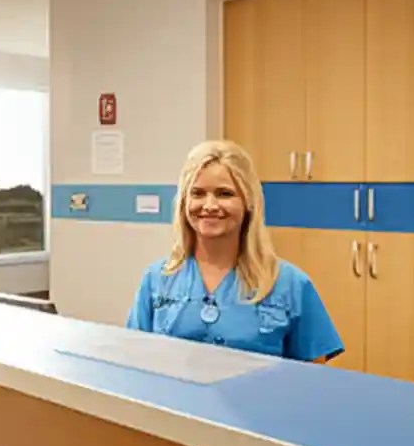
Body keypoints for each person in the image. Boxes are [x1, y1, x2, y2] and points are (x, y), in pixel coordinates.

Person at [127, 140, 344, 363]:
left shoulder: (290, 284)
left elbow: (313, 377)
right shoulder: (156, 279)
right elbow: (135, 359)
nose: (209, 205)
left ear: (248, 202)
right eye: (198, 193)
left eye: (224, 194)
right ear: (183, 202)